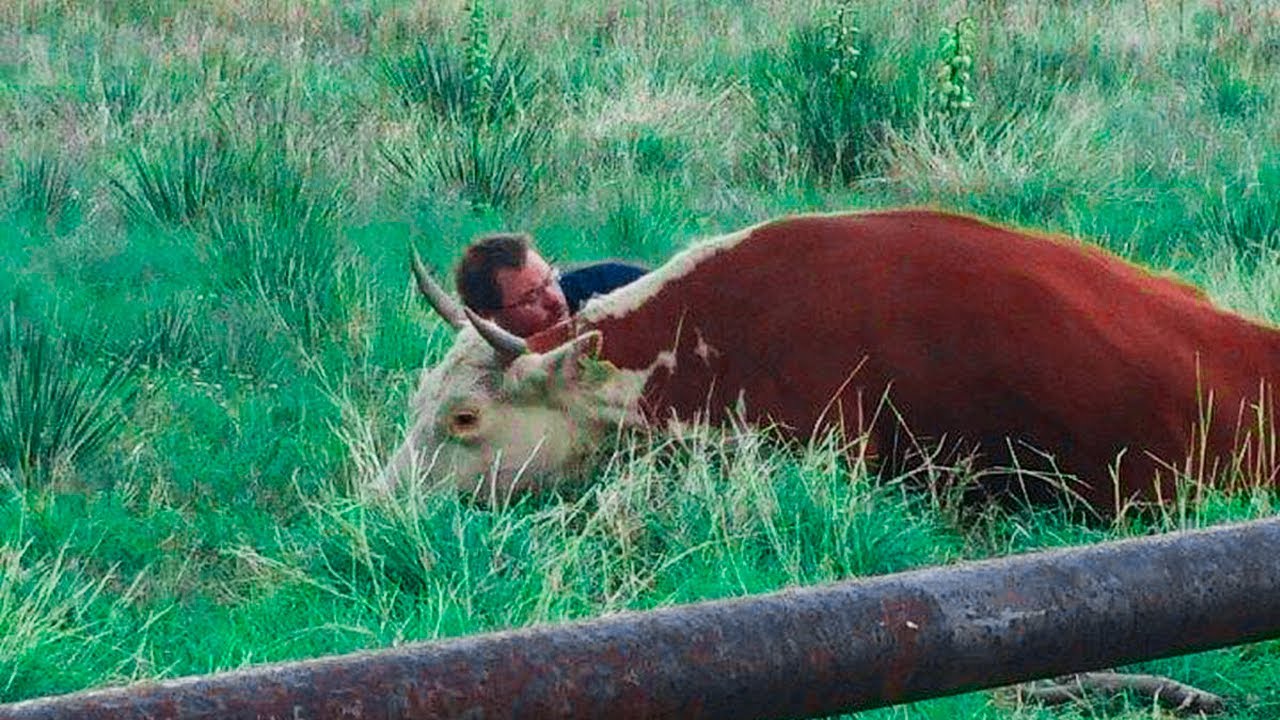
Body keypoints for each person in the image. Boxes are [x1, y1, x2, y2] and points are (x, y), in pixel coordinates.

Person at [454, 233, 647, 338]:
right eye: (531, 297)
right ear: (489, 317)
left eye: (550, 280)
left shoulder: (618, 286)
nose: (555, 300)